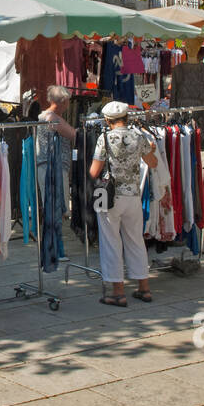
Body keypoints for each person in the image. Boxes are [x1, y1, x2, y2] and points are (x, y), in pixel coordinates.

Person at [89, 100, 157, 306]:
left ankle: (118, 291)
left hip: (109, 197)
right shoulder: (139, 137)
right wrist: (151, 149)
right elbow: (152, 163)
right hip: (133, 196)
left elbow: (94, 171)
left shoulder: (105, 139)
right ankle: (143, 287)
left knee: (111, 242)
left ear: (108, 121)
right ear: (127, 118)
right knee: (135, 241)